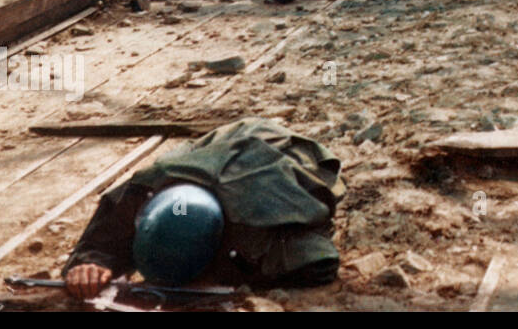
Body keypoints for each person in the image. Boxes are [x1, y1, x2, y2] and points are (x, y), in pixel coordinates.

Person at [62, 119, 343, 300]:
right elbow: (100, 240)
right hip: (214, 149)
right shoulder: (143, 191)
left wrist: (234, 279)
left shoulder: (259, 226)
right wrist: (91, 264)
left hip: (280, 157)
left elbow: (320, 262)